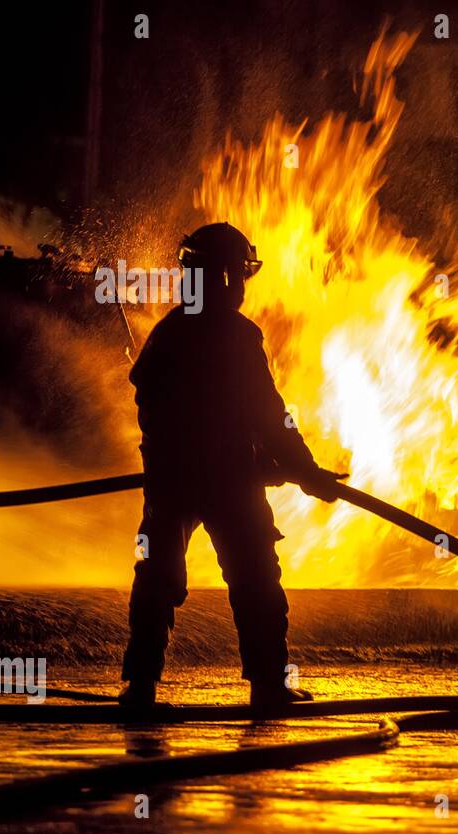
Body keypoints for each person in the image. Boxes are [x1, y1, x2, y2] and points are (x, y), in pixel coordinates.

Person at [119, 222, 344, 714]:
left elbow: (158, 411)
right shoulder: (238, 335)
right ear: (224, 276)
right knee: (256, 578)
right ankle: (267, 685)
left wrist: (261, 459)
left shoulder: (169, 332)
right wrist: (305, 472)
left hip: (171, 482)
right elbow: (268, 414)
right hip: (227, 483)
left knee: (157, 576)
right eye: (238, 274)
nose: (241, 286)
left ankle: (139, 687)